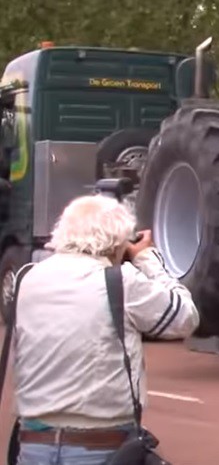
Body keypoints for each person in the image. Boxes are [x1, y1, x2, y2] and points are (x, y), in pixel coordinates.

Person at [11, 194, 200, 464]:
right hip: (99, 446)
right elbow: (185, 317)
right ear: (117, 240)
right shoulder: (120, 281)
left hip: (32, 444)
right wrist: (148, 258)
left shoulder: (26, 278)